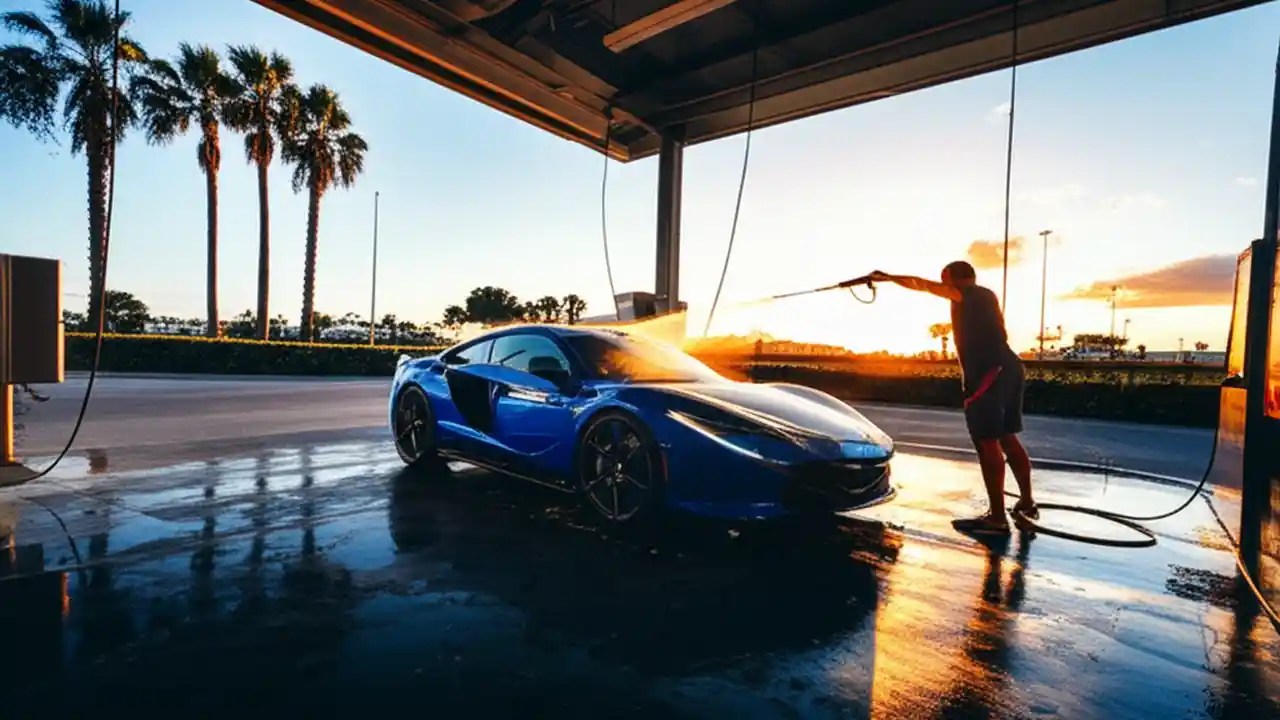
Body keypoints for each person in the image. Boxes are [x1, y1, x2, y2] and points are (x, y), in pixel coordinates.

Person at [868, 262, 1037, 535]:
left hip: (991, 373)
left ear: (951, 279)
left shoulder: (970, 295)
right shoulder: (985, 296)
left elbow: (921, 284)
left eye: (943, 280)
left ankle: (996, 519)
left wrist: (887, 278)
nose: (942, 286)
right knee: (1006, 437)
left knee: (987, 442)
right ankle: (1026, 502)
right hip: (1007, 367)